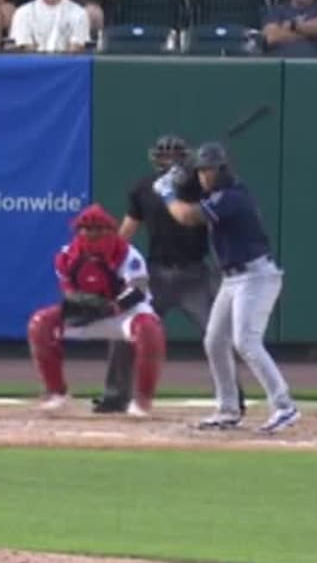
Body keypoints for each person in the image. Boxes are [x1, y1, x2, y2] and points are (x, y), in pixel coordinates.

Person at [94, 136, 247, 418]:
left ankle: (233, 397)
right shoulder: (143, 188)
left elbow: (211, 201)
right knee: (126, 328)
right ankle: (115, 396)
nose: (169, 162)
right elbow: (127, 231)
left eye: (175, 157)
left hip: (195, 274)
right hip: (155, 276)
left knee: (218, 336)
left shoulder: (196, 187)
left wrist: (183, 182)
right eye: (164, 157)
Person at [153, 143, 298, 434]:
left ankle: (284, 406)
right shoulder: (216, 194)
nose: (204, 176)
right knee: (215, 340)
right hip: (233, 279)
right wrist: (177, 176)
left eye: (209, 170)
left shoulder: (233, 197)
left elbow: (186, 216)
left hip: (256, 276)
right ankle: (228, 409)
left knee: (246, 341)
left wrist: (167, 191)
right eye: (202, 171)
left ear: (222, 170)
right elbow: (192, 194)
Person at [27, 204, 166, 417]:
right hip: (89, 313)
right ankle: (56, 393)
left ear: (110, 230)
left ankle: (142, 399)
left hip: (124, 313)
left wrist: (112, 307)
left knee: (150, 330)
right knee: (40, 323)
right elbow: (68, 290)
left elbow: (138, 291)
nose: (90, 234)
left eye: (97, 229)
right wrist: (81, 303)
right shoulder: (66, 257)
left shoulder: (127, 254)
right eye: (85, 229)